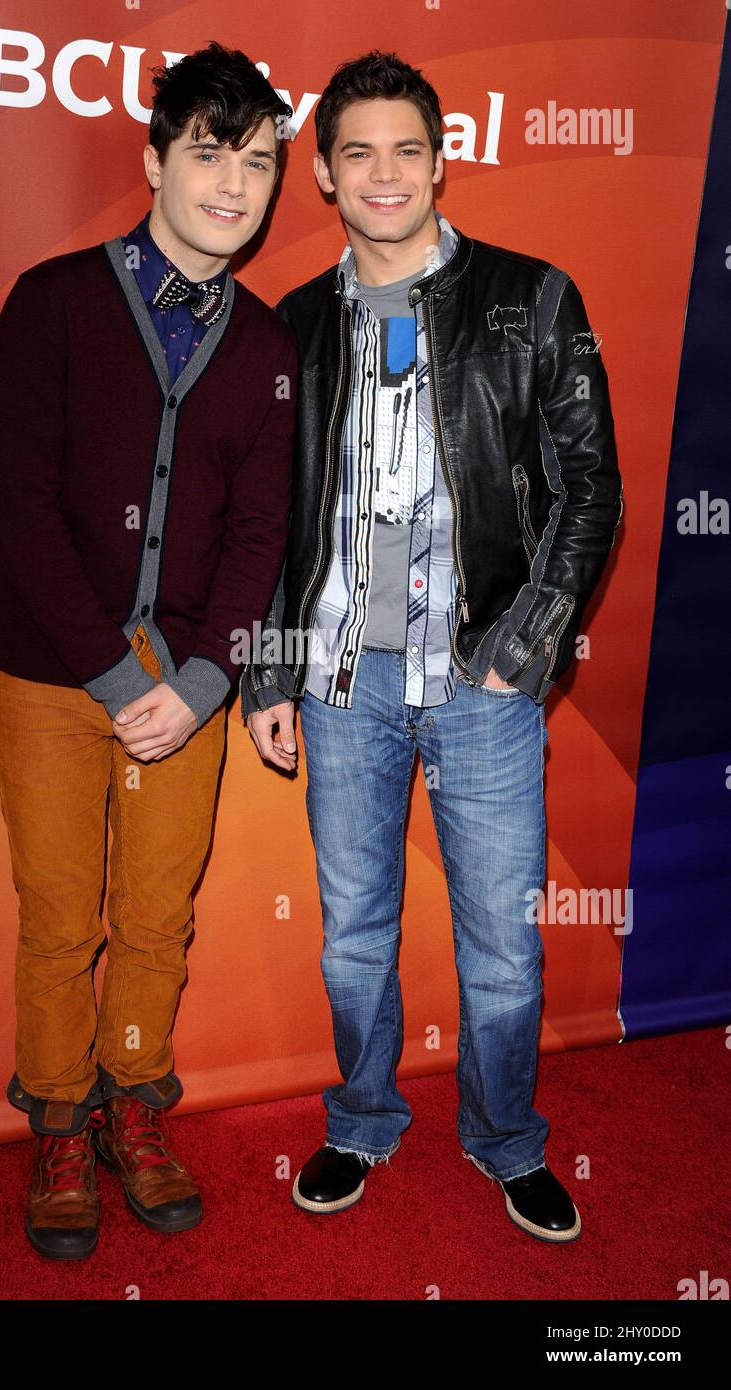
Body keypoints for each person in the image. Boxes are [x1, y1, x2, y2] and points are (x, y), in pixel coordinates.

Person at [243, 49, 622, 1243]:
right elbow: (268, 515)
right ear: (323, 176)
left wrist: (530, 641)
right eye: (359, 152)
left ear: (443, 161)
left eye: (409, 148)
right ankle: (359, 1120)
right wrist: (268, 671)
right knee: (354, 935)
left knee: (504, 943)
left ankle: (507, 1140)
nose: (386, 172)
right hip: (344, 683)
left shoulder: (533, 296)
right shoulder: (292, 326)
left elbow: (591, 488)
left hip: (481, 684)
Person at [0, 42, 296, 1259]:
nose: (233, 183)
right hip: (51, 676)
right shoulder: (50, 300)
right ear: (156, 157)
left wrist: (203, 682)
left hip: (194, 690)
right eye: (210, 152)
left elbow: (261, 532)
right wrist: (121, 684)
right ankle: (58, 1121)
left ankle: (133, 1104)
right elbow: (22, 504)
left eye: (258, 162)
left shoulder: (269, 349)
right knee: (63, 915)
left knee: (159, 917)